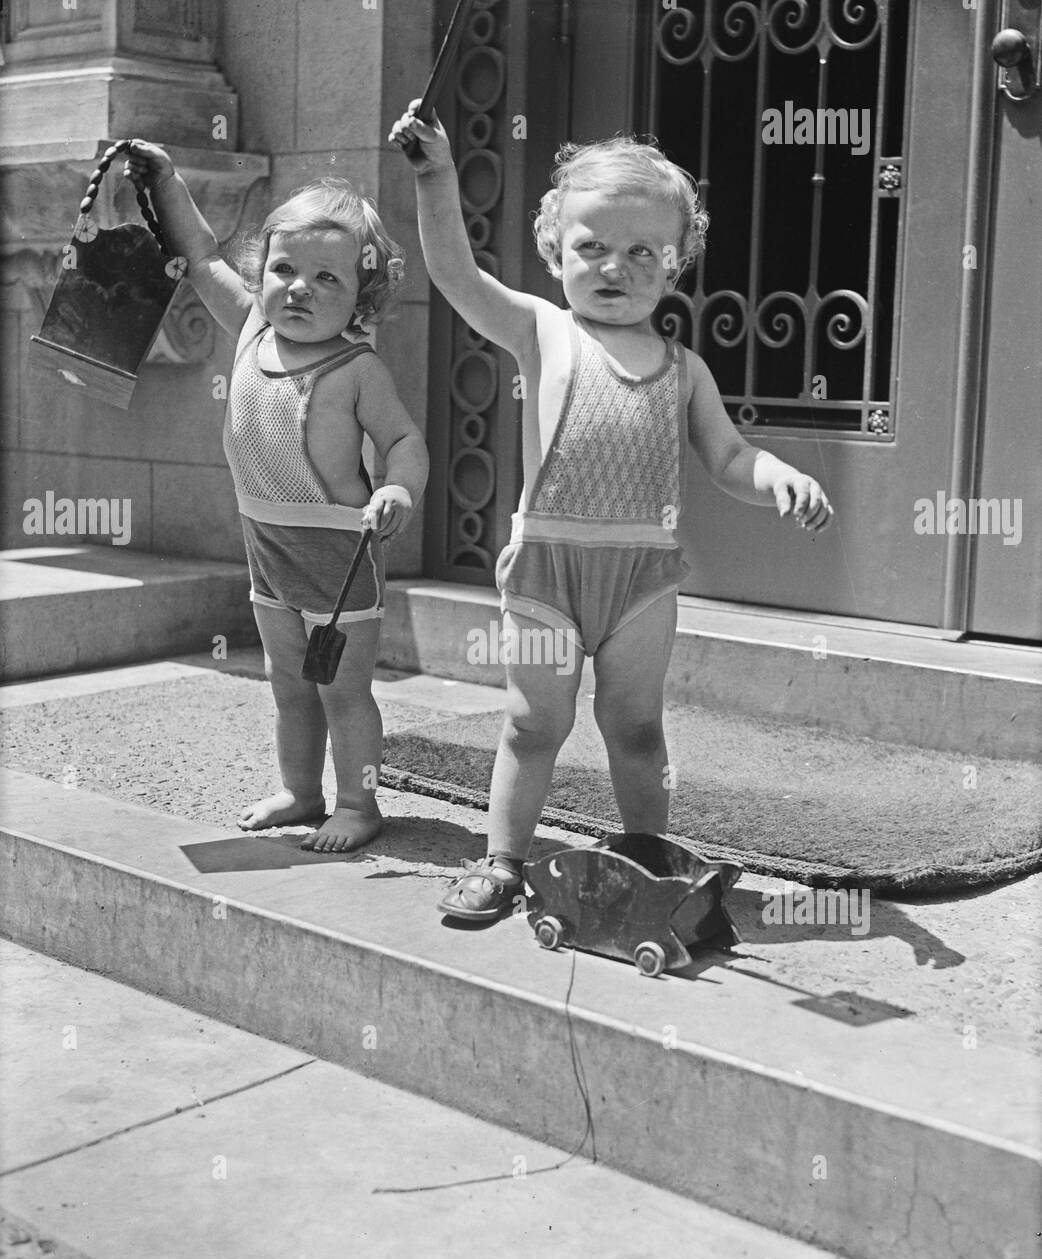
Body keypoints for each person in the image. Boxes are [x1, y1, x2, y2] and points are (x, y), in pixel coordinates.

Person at [389, 111, 832, 919]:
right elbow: (456, 275)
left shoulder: (684, 368)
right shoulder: (541, 332)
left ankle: (644, 859)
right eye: (592, 246)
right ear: (556, 252)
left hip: (641, 578)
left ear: (675, 266)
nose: (614, 268)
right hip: (550, 570)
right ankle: (502, 859)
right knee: (532, 724)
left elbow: (730, 458)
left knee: (635, 728)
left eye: (641, 253)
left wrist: (780, 478)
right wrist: (434, 176)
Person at [125, 142, 428, 852]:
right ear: (261, 275)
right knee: (289, 683)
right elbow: (201, 256)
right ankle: (301, 790)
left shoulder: (357, 368)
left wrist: (397, 488)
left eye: (328, 278)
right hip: (267, 550)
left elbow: (406, 441)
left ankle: (360, 803)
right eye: (285, 269)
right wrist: (166, 180)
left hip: (337, 554)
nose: (300, 288)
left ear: (363, 297)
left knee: (342, 689)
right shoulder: (253, 330)